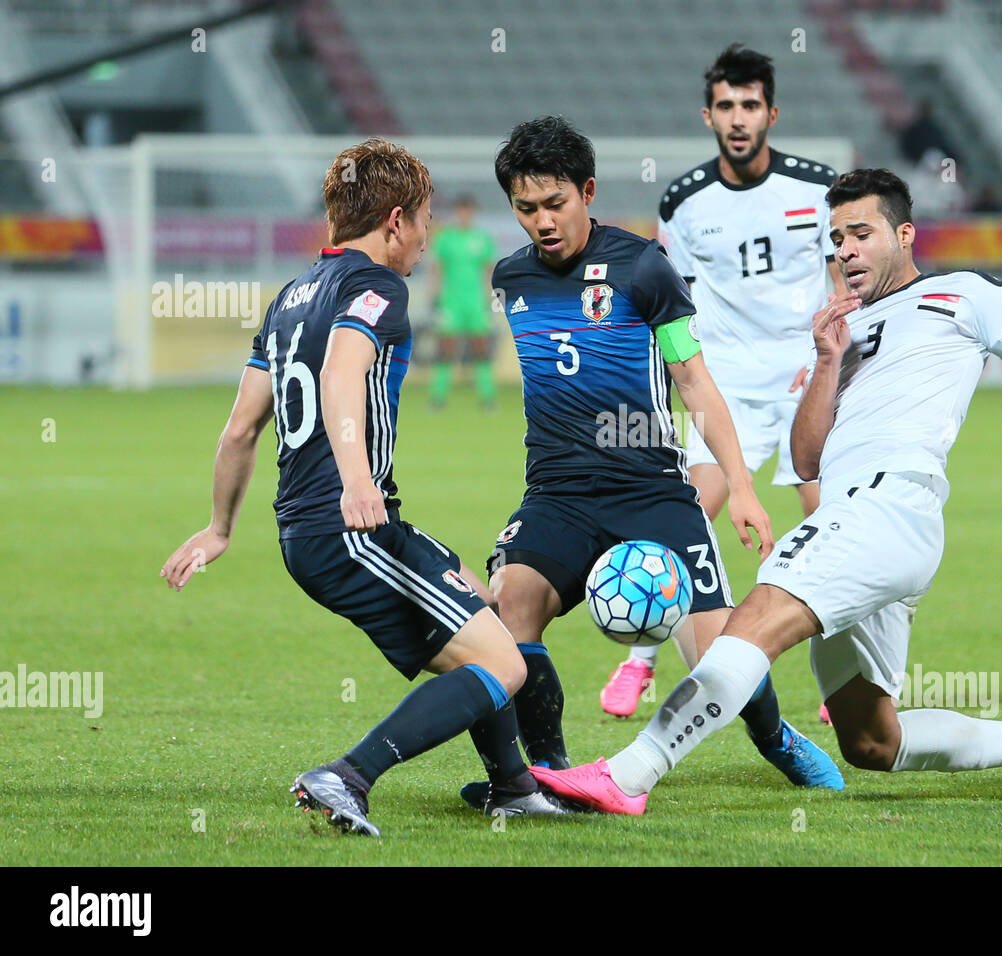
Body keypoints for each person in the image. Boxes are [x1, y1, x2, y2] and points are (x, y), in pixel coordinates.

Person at [529, 168, 1002, 814]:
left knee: (754, 619)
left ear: (904, 234)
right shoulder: (841, 330)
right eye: (836, 240)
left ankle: (629, 776)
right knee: (870, 742)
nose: (846, 251)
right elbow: (806, 459)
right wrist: (826, 361)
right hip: (861, 515)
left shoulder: (964, 295)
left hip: (890, 507)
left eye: (862, 235)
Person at [160, 138, 554, 836]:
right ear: (396, 220)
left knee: (477, 598)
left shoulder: (289, 298)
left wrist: (220, 528)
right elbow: (343, 375)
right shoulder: (376, 287)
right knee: (503, 664)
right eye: (426, 222)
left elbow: (239, 431)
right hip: (347, 525)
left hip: (311, 529)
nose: (427, 240)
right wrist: (355, 480)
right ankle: (347, 776)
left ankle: (512, 784)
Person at [460, 116, 844, 811]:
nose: (541, 221)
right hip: (556, 493)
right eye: (525, 208)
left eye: (555, 203)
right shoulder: (509, 276)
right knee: (509, 611)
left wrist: (745, 486)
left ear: (588, 191)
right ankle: (548, 773)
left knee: (720, 650)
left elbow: (693, 382)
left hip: (650, 490)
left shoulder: (643, 267)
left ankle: (775, 738)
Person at [600, 43, 848, 720]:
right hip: (726, 380)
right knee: (686, 509)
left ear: (771, 112)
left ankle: (846, 675)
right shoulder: (683, 201)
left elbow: (842, 277)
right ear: (707, 115)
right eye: (725, 106)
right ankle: (640, 659)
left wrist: (836, 355)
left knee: (831, 521)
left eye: (749, 105)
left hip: (804, 377)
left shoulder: (819, 187)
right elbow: (667, 292)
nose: (738, 118)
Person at [429, 195, 498, 410]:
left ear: (472, 213)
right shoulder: (445, 238)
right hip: (451, 301)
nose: (464, 215)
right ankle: (438, 397)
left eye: (468, 211)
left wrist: (491, 296)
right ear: (456, 212)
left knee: (481, 347)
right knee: (446, 348)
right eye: (461, 210)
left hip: (476, 300)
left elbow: (488, 269)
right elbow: (437, 269)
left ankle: (487, 397)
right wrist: (435, 296)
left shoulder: (482, 238)